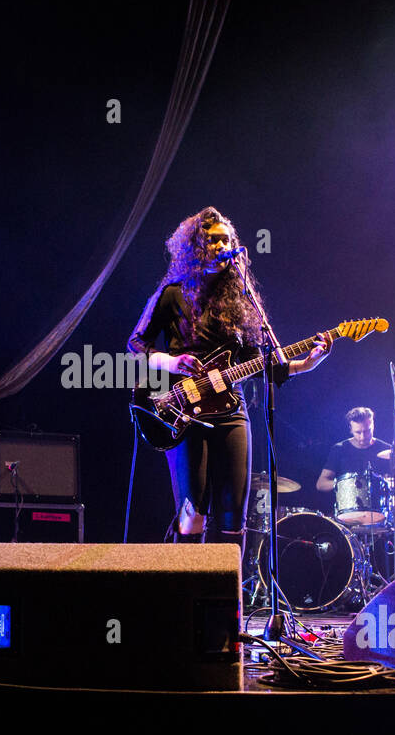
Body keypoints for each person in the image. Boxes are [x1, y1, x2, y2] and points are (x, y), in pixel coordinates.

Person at [128, 206, 332, 553]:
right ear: (196, 246)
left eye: (227, 240)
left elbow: (260, 363)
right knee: (193, 515)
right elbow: (136, 345)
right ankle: (187, 594)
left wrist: (307, 365)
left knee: (234, 517)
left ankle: (228, 604)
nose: (222, 246)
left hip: (231, 411)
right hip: (184, 411)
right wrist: (172, 361)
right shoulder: (172, 293)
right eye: (213, 240)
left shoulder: (240, 299)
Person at [315, 406, 394, 496]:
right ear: (351, 429)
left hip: (381, 506)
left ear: (373, 425)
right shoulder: (339, 449)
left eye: (367, 431)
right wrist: (347, 484)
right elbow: (321, 484)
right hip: (348, 507)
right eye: (358, 432)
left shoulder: (387, 449)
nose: (363, 437)